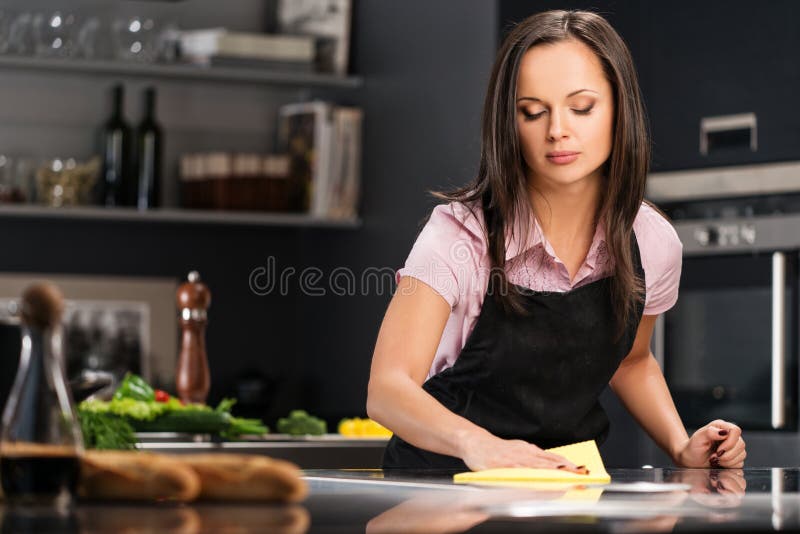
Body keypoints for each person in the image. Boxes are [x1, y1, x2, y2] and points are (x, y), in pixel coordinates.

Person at [366, 9, 746, 472]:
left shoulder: (651, 240)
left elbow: (633, 361)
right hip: (441, 487)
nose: (557, 130)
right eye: (533, 112)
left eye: (581, 108)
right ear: (510, 122)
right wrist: (479, 445)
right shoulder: (457, 235)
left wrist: (681, 446)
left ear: (618, 109)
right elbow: (387, 389)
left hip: (562, 490)